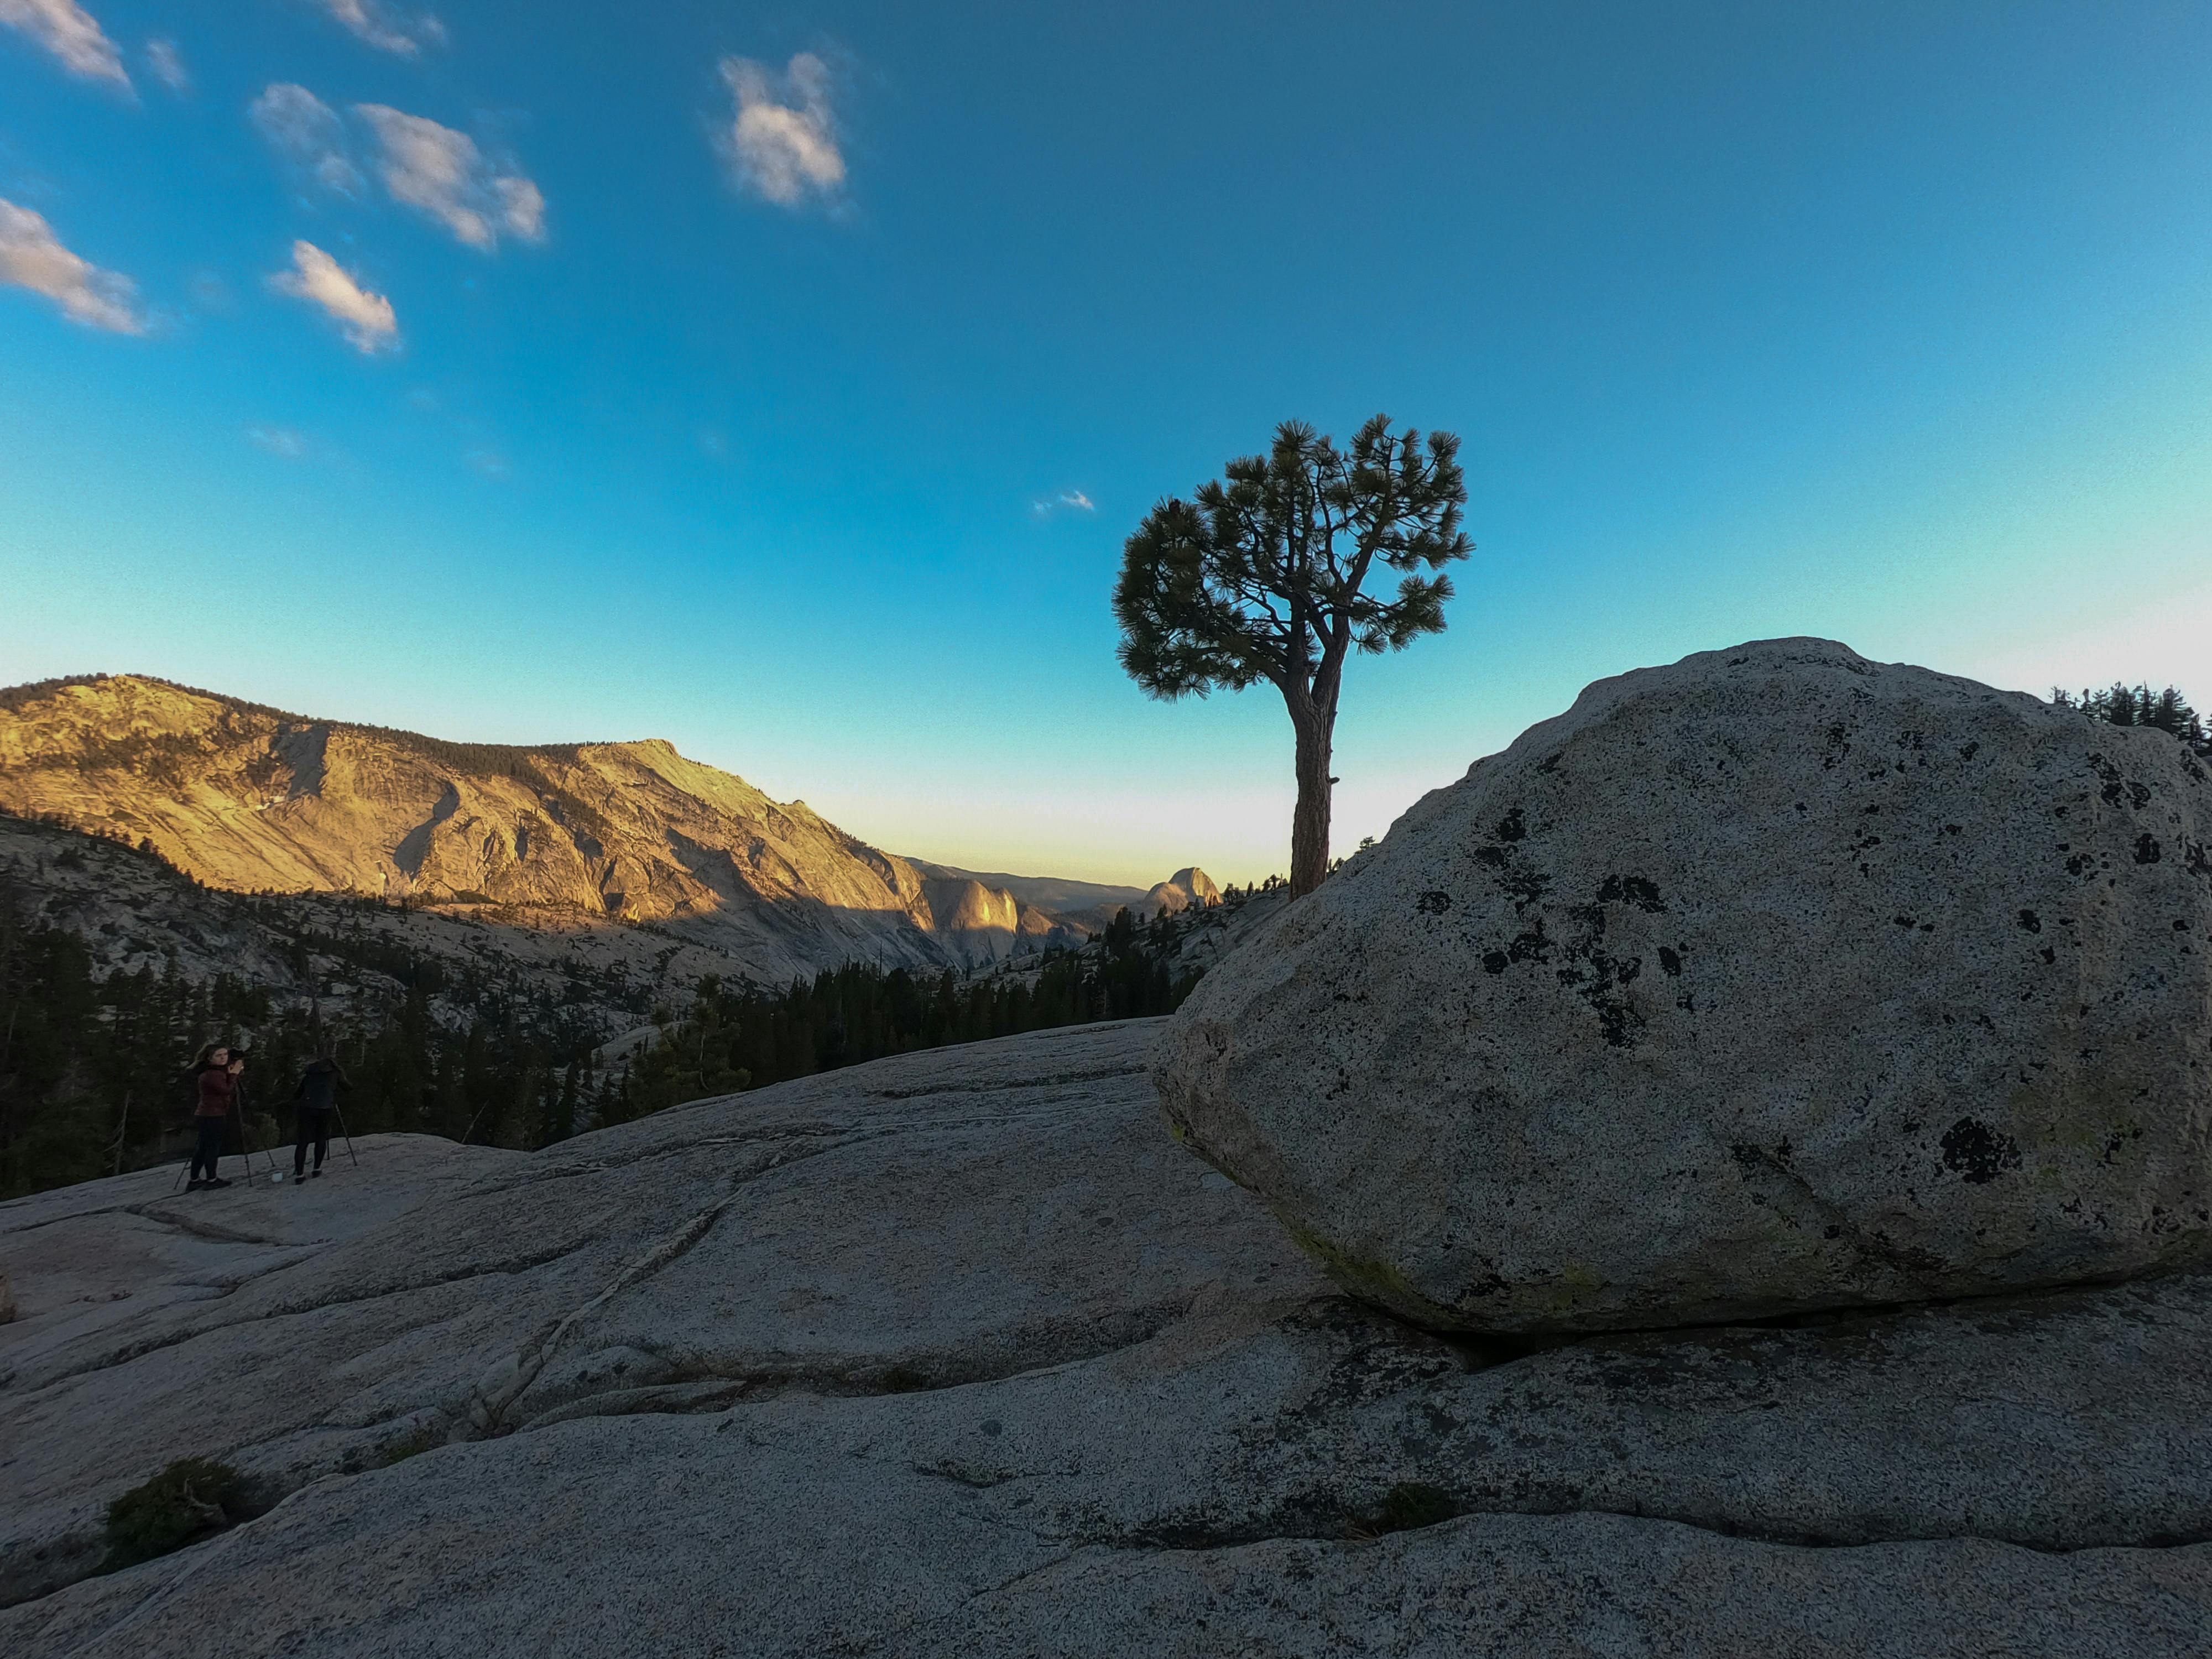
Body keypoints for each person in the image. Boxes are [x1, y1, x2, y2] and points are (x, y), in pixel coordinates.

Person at [290, 1049, 350, 1181]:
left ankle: (299, 1174)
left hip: (306, 1108)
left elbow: (297, 1094)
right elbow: (348, 1088)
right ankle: (316, 1169)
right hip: (325, 1108)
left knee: (303, 1142)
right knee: (321, 1138)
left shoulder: (309, 1074)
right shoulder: (335, 1073)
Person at [186, 1044, 240, 1191]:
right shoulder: (212, 1074)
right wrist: (234, 1074)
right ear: (210, 1058)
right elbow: (226, 1090)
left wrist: (230, 1073)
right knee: (212, 1148)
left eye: (225, 1055)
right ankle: (212, 1180)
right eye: (219, 1056)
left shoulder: (210, 1072)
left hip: (206, 1114)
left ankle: (194, 1179)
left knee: (202, 1148)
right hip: (213, 1115)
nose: (224, 1058)